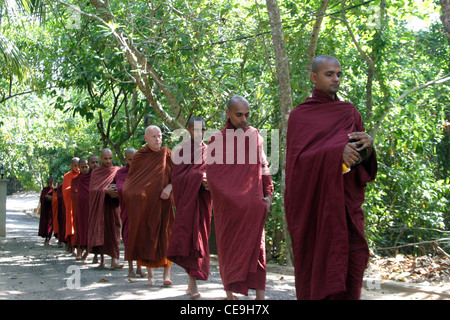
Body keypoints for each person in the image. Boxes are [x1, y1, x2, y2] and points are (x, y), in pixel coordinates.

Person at [284, 55, 378, 300]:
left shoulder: (349, 111)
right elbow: (297, 165)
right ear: (314, 78)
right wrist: (335, 154)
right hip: (317, 210)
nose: (336, 78)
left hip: (345, 206)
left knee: (352, 262)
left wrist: (368, 146)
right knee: (320, 269)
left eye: (338, 74)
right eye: (329, 74)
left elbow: (359, 158)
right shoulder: (300, 116)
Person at [206, 96, 273, 300]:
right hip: (229, 208)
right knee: (227, 248)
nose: (244, 119)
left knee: (258, 249)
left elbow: (263, 166)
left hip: (253, 205)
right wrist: (233, 197)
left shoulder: (255, 136)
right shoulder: (216, 140)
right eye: (239, 115)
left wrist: (268, 193)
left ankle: (260, 297)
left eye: (247, 115)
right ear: (227, 113)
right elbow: (215, 176)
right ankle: (229, 295)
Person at [122, 126, 175, 286]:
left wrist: (169, 187)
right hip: (145, 205)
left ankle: (167, 275)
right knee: (146, 237)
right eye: (153, 136)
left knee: (165, 236)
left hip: (164, 203)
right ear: (146, 138)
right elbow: (132, 182)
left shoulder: (167, 153)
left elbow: (177, 176)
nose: (157, 139)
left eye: (159, 136)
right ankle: (150, 276)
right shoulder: (140, 156)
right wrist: (137, 196)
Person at [167, 116, 212, 299]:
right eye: (195, 129)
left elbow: (217, 174)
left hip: (202, 201)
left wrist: (209, 181)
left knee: (200, 238)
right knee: (192, 241)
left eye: (202, 129)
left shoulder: (211, 151)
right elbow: (176, 179)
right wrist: (197, 178)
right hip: (188, 203)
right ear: (188, 130)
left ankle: (191, 283)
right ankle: (192, 284)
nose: (199, 133)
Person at [87, 148, 123, 270]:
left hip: (112, 206)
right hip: (101, 207)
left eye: (110, 158)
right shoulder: (96, 173)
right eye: (105, 158)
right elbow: (92, 190)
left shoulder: (116, 170)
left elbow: (122, 185)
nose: (108, 161)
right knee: (101, 231)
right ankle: (102, 261)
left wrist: (116, 191)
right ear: (101, 158)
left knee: (114, 231)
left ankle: (114, 261)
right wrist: (105, 191)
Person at [114, 148, 146, 278]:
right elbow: (121, 188)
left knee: (140, 237)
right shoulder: (121, 173)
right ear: (126, 159)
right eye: (130, 159)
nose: (134, 162)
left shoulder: (143, 171)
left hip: (141, 209)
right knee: (128, 237)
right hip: (127, 209)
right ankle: (131, 269)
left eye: (136, 159)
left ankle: (139, 267)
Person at [78, 155, 100, 262]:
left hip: (99, 207)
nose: (95, 164)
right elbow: (82, 196)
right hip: (87, 208)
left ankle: (96, 256)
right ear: (89, 164)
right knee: (88, 229)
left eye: (96, 162)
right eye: (92, 162)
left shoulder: (102, 175)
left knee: (98, 230)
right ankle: (87, 251)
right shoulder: (84, 178)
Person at [70, 158, 89, 260]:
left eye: (86, 166)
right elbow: (74, 195)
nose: (85, 169)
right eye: (82, 167)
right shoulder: (75, 179)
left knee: (88, 229)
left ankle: (88, 251)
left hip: (89, 207)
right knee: (78, 228)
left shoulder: (92, 178)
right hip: (78, 207)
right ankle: (78, 251)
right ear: (79, 168)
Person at [62, 157, 80, 254]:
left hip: (80, 204)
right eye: (75, 166)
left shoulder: (83, 175)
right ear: (71, 165)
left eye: (78, 165)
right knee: (72, 223)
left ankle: (80, 247)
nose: (77, 168)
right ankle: (73, 246)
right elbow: (65, 190)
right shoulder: (67, 176)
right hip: (71, 205)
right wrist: (73, 189)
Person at [38, 177, 56, 245]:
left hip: (51, 209)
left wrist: (52, 197)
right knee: (45, 224)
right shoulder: (45, 189)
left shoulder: (55, 189)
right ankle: (45, 237)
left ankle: (48, 239)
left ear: (53, 183)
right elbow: (41, 198)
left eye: (51, 183)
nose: (49, 184)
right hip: (45, 209)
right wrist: (45, 197)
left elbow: (57, 197)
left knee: (50, 224)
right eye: (48, 183)